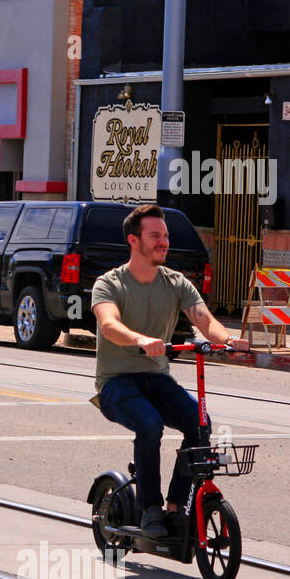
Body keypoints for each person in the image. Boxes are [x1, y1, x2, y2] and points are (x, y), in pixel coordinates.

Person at [91, 204, 249, 539]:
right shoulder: (109, 284)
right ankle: (150, 509)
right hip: (116, 383)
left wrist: (229, 340)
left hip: (157, 379)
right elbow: (108, 324)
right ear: (134, 241)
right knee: (149, 424)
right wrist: (141, 339)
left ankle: (177, 507)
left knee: (199, 423)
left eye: (165, 235)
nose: (164, 241)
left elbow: (204, 320)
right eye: (155, 236)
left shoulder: (175, 282)